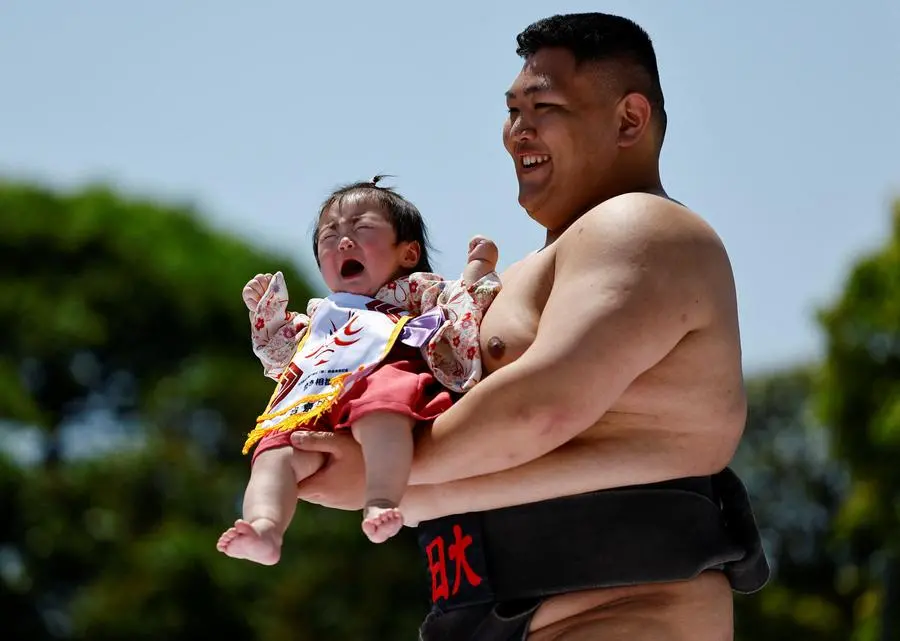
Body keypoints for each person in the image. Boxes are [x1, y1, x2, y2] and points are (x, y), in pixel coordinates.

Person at [290, 12, 769, 641]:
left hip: (619, 613)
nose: (519, 130)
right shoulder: (528, 272)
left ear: (629, 119)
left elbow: (540, 408)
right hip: (475, 606)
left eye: (543, 106)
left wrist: (386, 475)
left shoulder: (644, 228)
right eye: (512, 109)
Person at [216, 177, 501, 563]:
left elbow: (460, 305)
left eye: (361, 228)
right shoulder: (323, 314)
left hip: (383, 382)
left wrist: (478, 267)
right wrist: (266, 313)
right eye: (329, 237)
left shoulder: (415, 291)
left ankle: (381, 499)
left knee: (380, 409)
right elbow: (283, 357)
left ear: (409, 253)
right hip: (319, 398)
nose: (343, 242)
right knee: (274, 451)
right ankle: (266, 527)